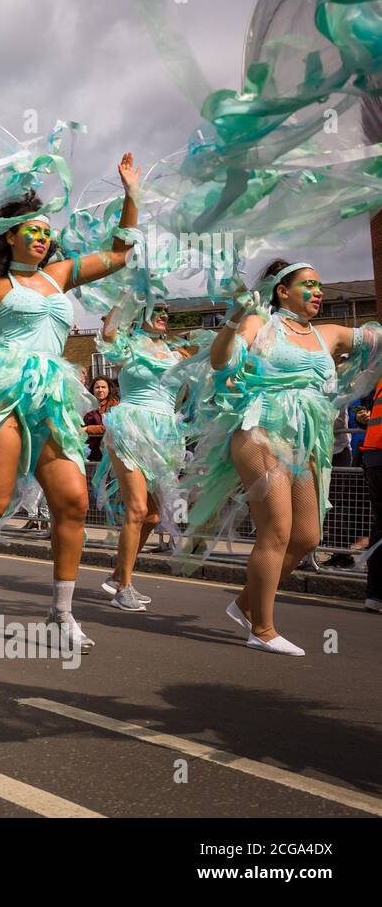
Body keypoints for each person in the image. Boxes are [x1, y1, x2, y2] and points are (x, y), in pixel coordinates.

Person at [0, 153, 140, 650]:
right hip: (2, 389)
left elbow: (118, 256)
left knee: (73, 499)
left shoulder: (60, 275)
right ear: (11, 236)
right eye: (33, 230)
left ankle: (61, 612)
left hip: (52, 390)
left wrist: (132, 197)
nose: (43, 237)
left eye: (47, 231)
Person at [184, 259, 382, 655]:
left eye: (321, 285)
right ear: (282, 291)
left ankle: (244, 603)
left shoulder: (329, 334)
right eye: (309, 284)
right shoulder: (262, 324)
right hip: (263, 429)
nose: (319, 292)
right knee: (275, 530)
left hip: (309, 438)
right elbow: (222, 361)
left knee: (308, 536)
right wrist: (234, 320)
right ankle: (262, 628)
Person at [93, 304, 198, 611]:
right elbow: (109, 334)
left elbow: (211, 374)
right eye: (155, 309)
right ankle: (123, 588)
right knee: (137, 509)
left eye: (167, 310)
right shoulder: (129, 344)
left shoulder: (178, 353)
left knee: (152, 516)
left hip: (164, 436)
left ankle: (117, 575)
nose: (164, 314)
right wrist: (129, 294)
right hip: (129, 428)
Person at [358, 376, 382, 612]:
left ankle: (375, 594)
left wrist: (361, 416)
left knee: (380, 529)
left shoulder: (378, 377)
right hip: (376, 457)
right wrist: (361, 415)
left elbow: (362, 407)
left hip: (374, 458)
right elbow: (362, 409)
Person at [82, 376, 117, 463]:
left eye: (103, 387)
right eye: (97, 387)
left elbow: (110, 427)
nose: (100, 390)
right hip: (88, 451)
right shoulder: (87, 403)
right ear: (93, 390)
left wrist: (87, 429)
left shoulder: (114, 405)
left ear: (109, 390)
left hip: (105, 453)